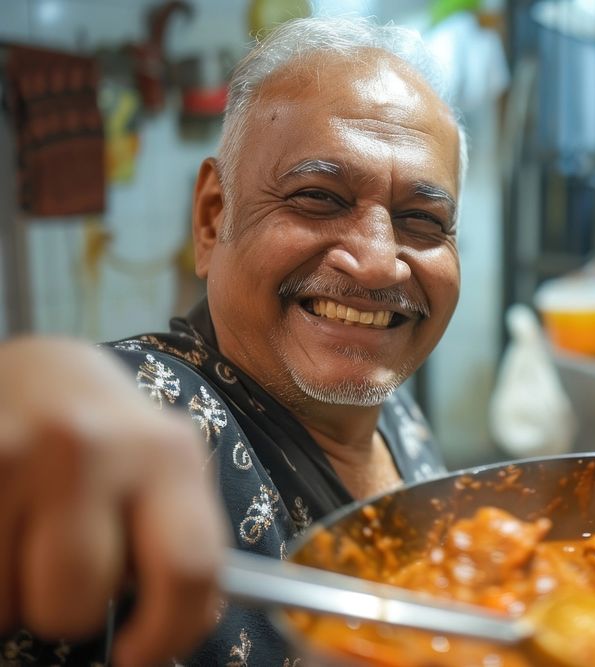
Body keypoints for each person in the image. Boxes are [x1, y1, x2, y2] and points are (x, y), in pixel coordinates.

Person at [0, 15, 467, 666]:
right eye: (318, 197)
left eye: (423, 219)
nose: (380, 261)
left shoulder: (401, 418)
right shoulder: (163, 410)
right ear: (213, 217)